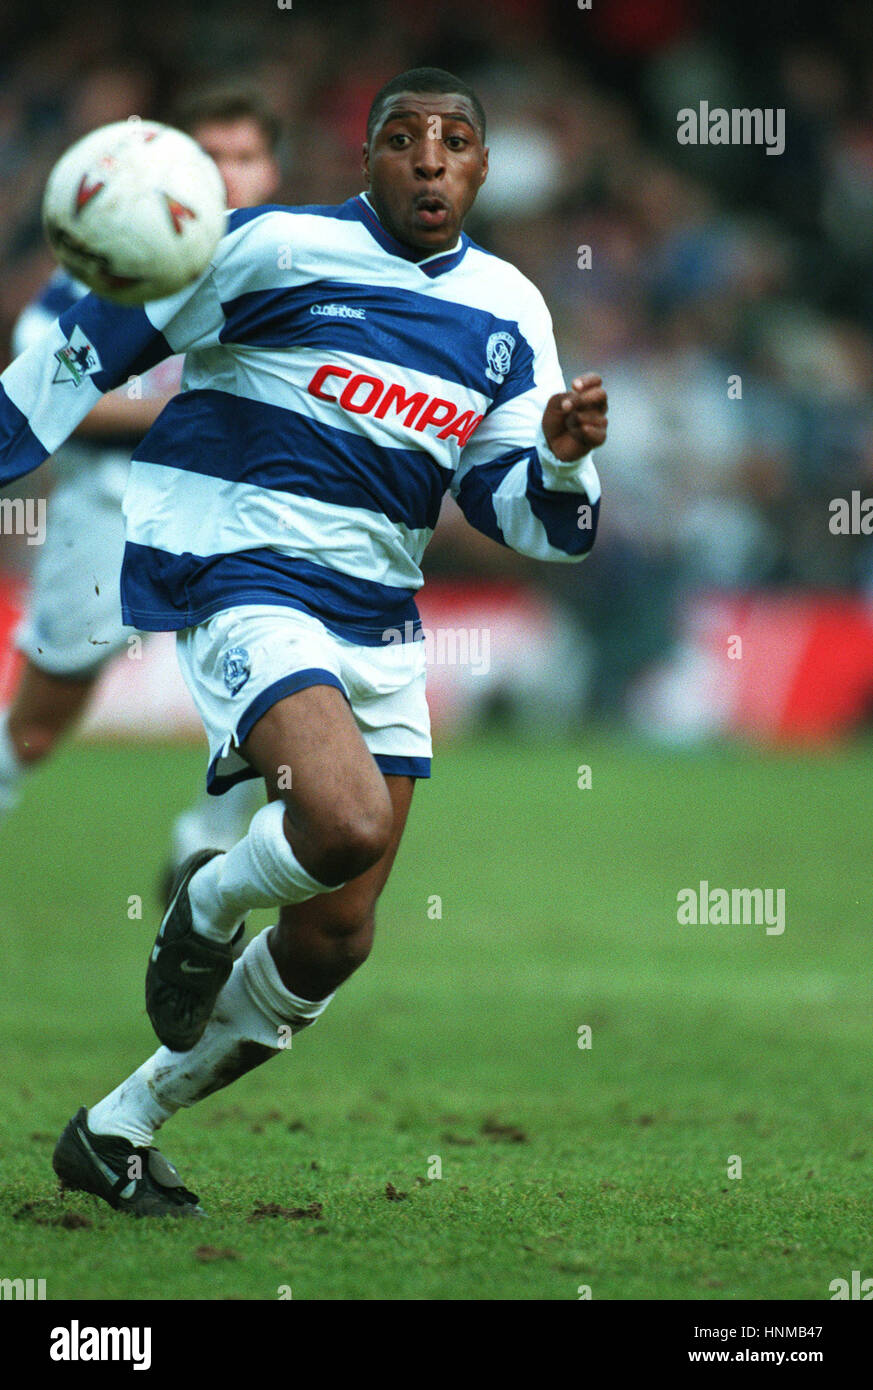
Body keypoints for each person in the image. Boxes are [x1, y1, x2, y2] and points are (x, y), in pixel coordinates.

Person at [0, 67, 607, 1217]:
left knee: (336, 937)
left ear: (483, 166)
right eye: (402, 138)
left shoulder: (511, 310)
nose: (429, 159)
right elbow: (82, 355)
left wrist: (566, 455)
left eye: (456, 140)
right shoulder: (270, 247)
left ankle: (119, 1126)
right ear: (364, 156)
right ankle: (206, 905)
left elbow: (535, 520)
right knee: (342, 820)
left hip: (378, 618)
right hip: (242, 575)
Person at [0, 87, 281, 884]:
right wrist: (198, 407)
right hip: (109, 509)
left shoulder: (289, 272)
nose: (226, 174)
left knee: (275, 700)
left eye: (245, 156)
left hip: (235, 513)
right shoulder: (99, 272)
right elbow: (57, 404)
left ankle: (207, 847)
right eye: (210, 156)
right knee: (38, 727)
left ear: (272, 170)